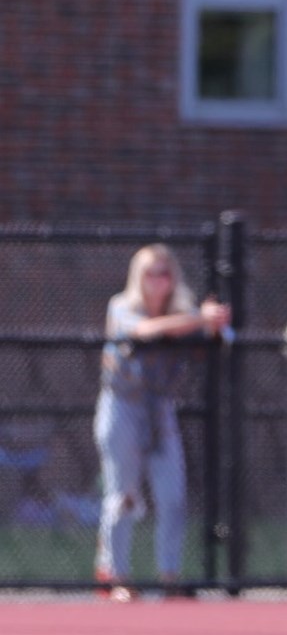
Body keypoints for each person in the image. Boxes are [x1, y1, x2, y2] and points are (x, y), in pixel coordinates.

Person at [94, 244, 230, 602]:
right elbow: (147, 332)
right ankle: (115, 577)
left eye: (165, 273)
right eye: (151, 273)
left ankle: (170, 576)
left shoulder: (184, 314)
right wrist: (201, 318)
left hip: (160, 410)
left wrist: (216, 325)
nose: (158, 281)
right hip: (122, 406)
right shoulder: (121, 307)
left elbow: (215, 341)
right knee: (123, 496)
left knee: (172, 496)